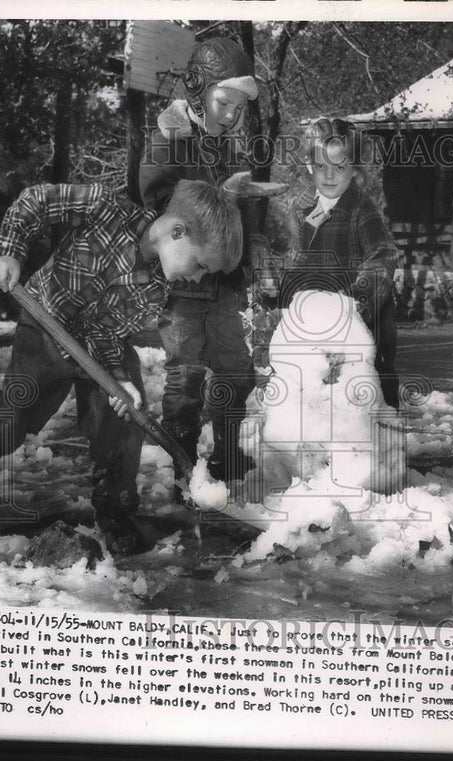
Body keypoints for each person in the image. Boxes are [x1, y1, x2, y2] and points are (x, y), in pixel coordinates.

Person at [0, 179, 243, 554]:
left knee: (122, 420)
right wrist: (10, 252)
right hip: (44, 324)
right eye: (201, 265)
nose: (199, 278)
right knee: (17, 412)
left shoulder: (157, 287)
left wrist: (119, 381)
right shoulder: (105, 207)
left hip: (98, 344)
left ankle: (115, 513)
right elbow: (37, 200)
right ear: (177, 231)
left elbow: (106, 333)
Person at [139, 36, 272, 494]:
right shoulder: (167, 141)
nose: (232, 114)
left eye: (238, 106)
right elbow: (155, 207)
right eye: (223, 101)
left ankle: (228, 456)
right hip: (181, 287)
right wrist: (216, 200)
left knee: (236, 369)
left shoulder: (227, 150)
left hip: (225, 285)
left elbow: (239, 220)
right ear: (198, 90)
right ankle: (183, 469)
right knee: (186, 378)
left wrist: (252, 251)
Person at [281, 118, 400, 409]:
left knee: (370, 380)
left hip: (364, 315)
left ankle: (383, 437)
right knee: (318, 383)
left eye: (340, 167)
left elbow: (383, 255)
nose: (330, 176)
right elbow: (297, 259)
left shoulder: (360, 207)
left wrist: (357, 301)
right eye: (322, 167)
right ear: (310, 166)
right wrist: (284, 299)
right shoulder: (302, 206)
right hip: (320, 317)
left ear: (354, 169)